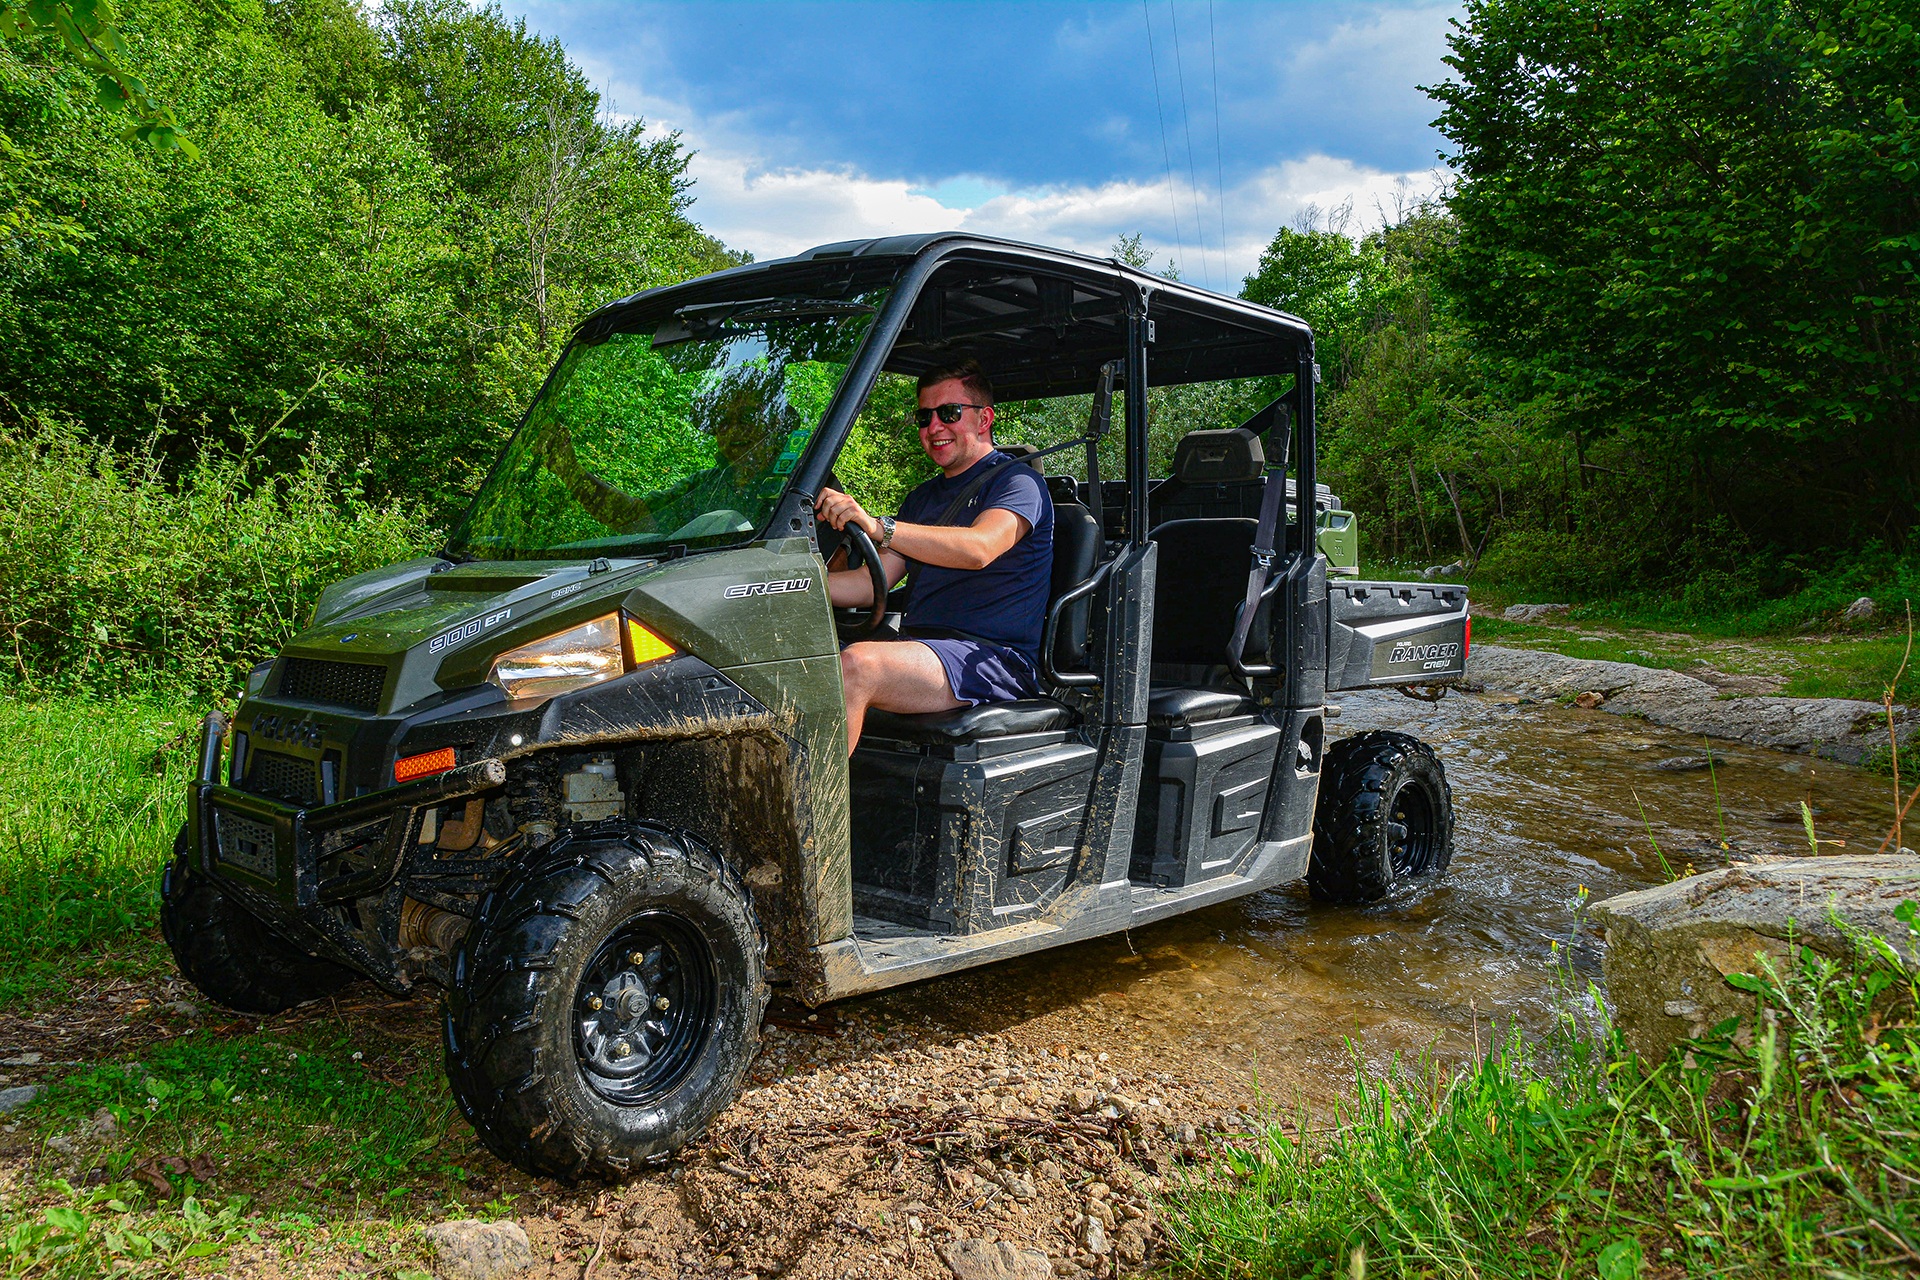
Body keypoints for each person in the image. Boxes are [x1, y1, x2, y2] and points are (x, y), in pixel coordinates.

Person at [816, 359, 1055, 754]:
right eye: (925, 417)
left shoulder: (1018, 482)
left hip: (991, 660)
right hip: (922, 649)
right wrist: (791, 585)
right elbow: (869, 584)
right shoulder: (922, 498)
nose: (934, 427)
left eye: (949, 413)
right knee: (801, 654)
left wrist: (880, 526)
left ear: (984, 419)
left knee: (858, 666)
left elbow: (979, 548)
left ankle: (815, 797)